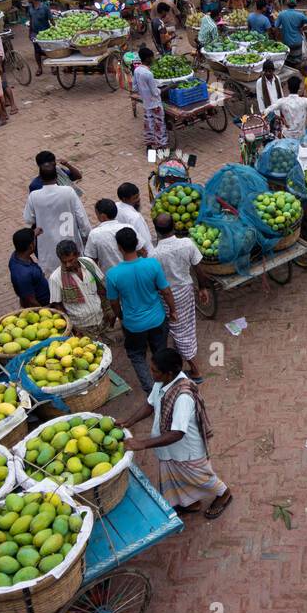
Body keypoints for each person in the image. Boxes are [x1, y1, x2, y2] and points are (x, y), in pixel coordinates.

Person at [124, 348, 232, 518]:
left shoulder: (183, 397)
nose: (151, 373)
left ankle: (224, 494)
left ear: (169, 373)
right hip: (171, 450)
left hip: (187, 450)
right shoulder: (162, 382)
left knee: (201, 478)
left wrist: (142, 444)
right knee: (179, 479)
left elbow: (177, 433)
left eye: (155, 371)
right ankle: (190, 503)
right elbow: (149, 405)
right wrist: (128, 422)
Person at [106, 227, 177, 393]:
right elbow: (165, 291)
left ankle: (150, 389)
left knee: (137, 355)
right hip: (157, 319)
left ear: (119, 247)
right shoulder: (152, 264)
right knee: (160, 352)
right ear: (137, 244)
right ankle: (166, 386)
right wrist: (173, 310)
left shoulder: (113, 274)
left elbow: (114, 302)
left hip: (133, 324)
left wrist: (121, 316)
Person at [150, 212, 208, 381]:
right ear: (174, 226)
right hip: (186, 290)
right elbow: (199, 268)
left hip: (169, 296)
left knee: (179, 330)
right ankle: (183, 356)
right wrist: (203, 288)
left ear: (156, 230)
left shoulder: (154, 255)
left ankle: (196, 370)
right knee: (186, 326)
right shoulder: (187, 244)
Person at [24, 161, 91, 278]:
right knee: (77, 275)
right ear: (56, 176)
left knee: (55, 278)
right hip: (70, 240)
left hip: (47, 247)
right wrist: (87, 237)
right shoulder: (68, 191)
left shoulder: (34, 196)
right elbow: (82, 218)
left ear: (40, 178)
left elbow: (29, 219)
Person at [49, 239, 113, 335]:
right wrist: (72, 328)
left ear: (77, 254)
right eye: (64, 262)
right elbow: (58, 306)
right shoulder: (55, 278)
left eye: (71, 260)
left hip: (101, 319)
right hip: (81, 328)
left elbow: (101, 287)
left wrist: (108, 309)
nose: (68, 265)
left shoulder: (88, 263)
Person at [84, 198, 136, 272]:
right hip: (132, 273)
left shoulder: (94, 234)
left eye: (97, 214)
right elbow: (141, 251)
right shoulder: (129, 227)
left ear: (103, 216)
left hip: (109, 278)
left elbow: (91, 262)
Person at [132, 46, 168, 151]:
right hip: (155, 104)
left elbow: (134, 87)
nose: (153, 59)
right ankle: (160, 148)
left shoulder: (137, 70)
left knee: (149, 124)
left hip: (146, 103)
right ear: (147, 58)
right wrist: (168, 87)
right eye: (152, 57)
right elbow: (155, 93)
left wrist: (144, 91)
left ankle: (149, 147)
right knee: (159, 125)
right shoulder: (148, 74)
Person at [9, 228, 51, 307]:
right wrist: (45, 311)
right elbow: (31, 301)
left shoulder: (16, 255)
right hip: (43, 304)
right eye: (34, 240)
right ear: (31, 246)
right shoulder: (23, 275)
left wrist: (34, 234)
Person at [115, 183, 153, 254]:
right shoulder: (134, 217)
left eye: (138, 196)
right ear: (124, 199)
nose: (138, 199)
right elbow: (146, 242)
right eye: (135, 198)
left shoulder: (115, 206)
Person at [24, 0, 53, 77]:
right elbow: (31, 20)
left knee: (49, 50)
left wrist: (55, 29)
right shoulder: (30, 8)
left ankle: (53, 67)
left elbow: (51, 20)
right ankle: (39, 68)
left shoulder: (44, 7)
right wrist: (30, 32)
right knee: (37, 50)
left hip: (45, 31)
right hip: (35, 32)